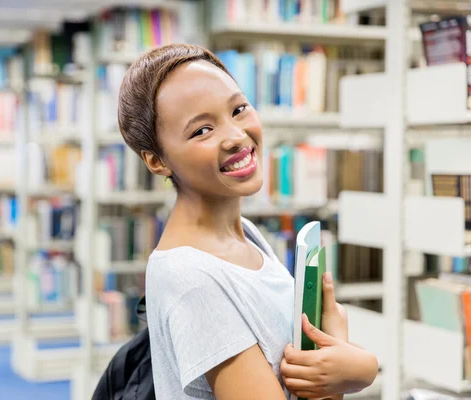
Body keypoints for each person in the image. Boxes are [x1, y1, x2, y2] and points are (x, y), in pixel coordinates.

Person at [117, 43, 378, 400]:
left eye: (238, 109)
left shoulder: (247, 236)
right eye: (202, 131)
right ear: (157, 161)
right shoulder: (193, 278)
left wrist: (329, 359)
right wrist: (355, 371)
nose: (236, 136)